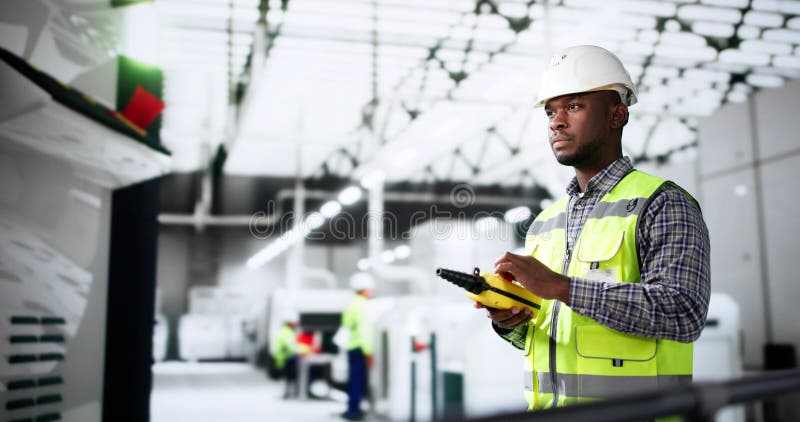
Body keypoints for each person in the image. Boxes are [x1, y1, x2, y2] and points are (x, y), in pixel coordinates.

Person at [478, 45, 711, 411]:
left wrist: (561, 287)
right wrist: (510, 320)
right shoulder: (545, 222)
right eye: (551, 111)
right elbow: (548, 335)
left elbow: (683, 312)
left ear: (617, 114)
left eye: (573, 106)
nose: (556, 121)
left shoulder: (662, 203)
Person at [339, 272, 375, 421]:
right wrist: (368, 352)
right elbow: (364, 331)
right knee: (358, 380)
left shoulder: (352, 304)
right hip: (360, 347)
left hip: (351, 347)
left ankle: (351, 408)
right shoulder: (363, 306)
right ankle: (354, 411)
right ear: (365, 289)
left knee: (353, 379)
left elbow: (347, 325)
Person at [271, 311, 300, 399]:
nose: (296, 325)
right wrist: (306, 349)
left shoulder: (284, 330)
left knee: (287, 377)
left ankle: (288, 393)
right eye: (295, 323)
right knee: (289, 377)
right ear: (290, 323)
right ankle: (289, 393)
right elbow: (291, 346)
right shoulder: (287, 332)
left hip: (282, 357)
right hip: (286, 358)